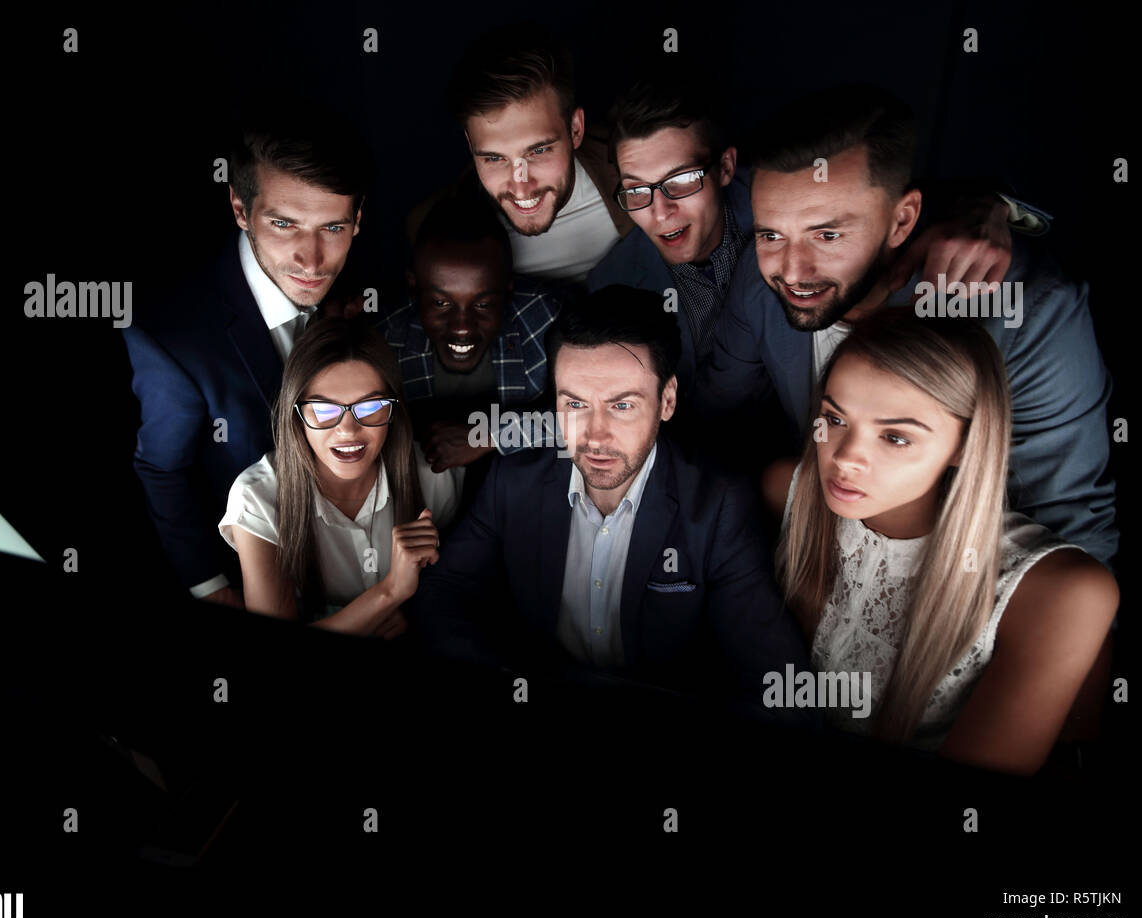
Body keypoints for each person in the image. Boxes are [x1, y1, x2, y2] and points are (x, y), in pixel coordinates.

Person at [697, 84, 1118, 568]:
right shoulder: (759, 278)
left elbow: (1073, 533)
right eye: (772, 233)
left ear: (903, 219)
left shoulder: (1026, 312)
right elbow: (719, 421)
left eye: (828, 234)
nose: (791, 270)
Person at [411, 285, 809, 721]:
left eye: (621, 405)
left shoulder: (718, 506)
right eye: (575, 403)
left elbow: (777, 679)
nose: (595, 435)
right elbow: (446, 592)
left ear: (667, 400)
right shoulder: (513, 480)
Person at [761, 312, 1118, 774]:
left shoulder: (1059, 591)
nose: (846, 458)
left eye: (895, 436)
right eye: (835, 417)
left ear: (966, 444)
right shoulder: (786, 493)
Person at [591, 71, 1049, 401]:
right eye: (635, 190)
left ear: (726, 168)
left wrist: (990, 205)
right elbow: (710, 410)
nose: (660, 209)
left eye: (683, 180)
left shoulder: (785, 186)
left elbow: (875, 190)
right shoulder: (613, 283)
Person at [123, 104, 375, 607]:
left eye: (332, 228)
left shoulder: (376, 287)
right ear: (240, 209)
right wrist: (213, 590)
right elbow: (162, 470)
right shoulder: (174, 336)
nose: (312, 259)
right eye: (284, 225)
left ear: (357, 218)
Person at [219, 318, 462, 636]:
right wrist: (389, 595)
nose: (347, 430)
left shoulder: (433, 473)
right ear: (298, 415)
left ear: (393, 409)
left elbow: (460, 589)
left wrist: (415, 612)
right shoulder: (257, 497)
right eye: (323, 410)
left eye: (370, 406)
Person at [416, 23, 632, 283]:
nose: (521, 188)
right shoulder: (434, 234)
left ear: (575, 129)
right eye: (494, 158)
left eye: (538, 150)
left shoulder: (636, 172)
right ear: (470, 144)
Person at [376, 193, 563, 474]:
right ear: (414, 288)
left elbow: (593, 417)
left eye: (483, 304)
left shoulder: (542, 317)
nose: (462, 326)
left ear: (508, 289)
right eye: (441, 303)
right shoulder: (385, 337)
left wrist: (490, 436)